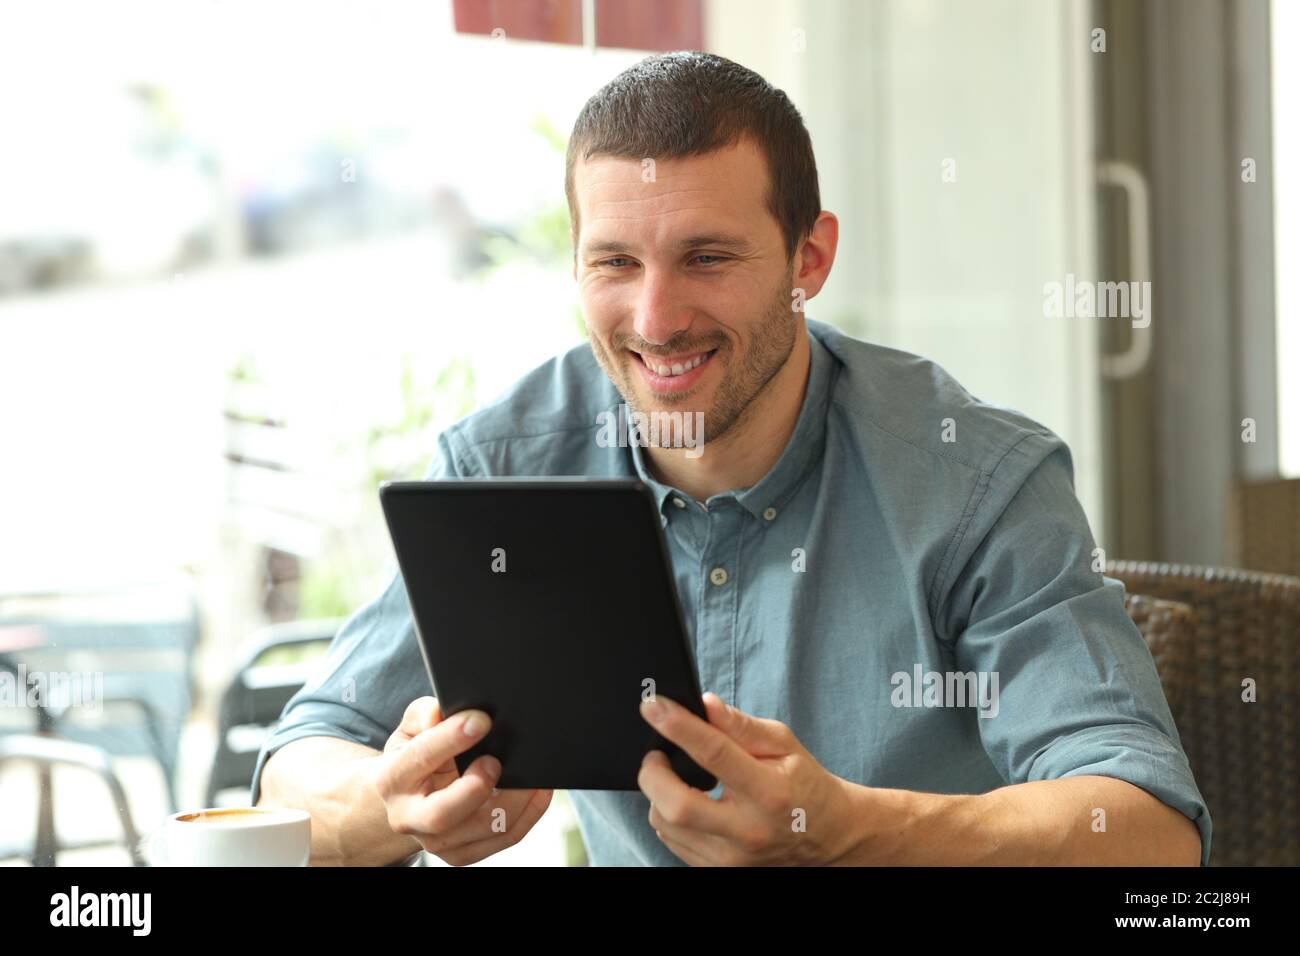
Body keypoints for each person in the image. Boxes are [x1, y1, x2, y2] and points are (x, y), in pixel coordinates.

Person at [253, 51, 1209, 867]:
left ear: (809, 260)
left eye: (708, 257)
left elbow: (1147, 825)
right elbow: (299, 762)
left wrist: (851, 832)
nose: (657, 320)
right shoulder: (506, 462)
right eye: (615, 263)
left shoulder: (976, 480)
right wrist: (395, 807)